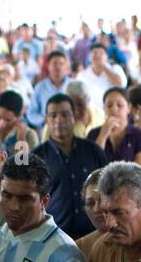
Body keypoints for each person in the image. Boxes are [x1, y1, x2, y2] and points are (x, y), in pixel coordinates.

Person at [35, 94, 109, 240]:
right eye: (53, 115)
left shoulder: (92, 150)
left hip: (95, 236)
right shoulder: (36, 158)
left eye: (65, 114)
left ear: (74, 117)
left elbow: (109, 190)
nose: (59, 120)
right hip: (53, 238)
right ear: (46, 120)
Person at [87, 86, 141, 171]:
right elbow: (90, 164)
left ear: (128, 108)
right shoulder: (94, 133)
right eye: (109, 106)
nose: (114, 109)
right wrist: (103, 134)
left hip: (131, 183)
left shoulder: (139, 135)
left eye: (119, 105)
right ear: (104, 109)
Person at [26, 51, 73, 130]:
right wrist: (44, 120)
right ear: (48, 66)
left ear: (66, 66)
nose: (58, 67)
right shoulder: (40, 87)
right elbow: (31, 113)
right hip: (46, 131)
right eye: (54, 63)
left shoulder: (73, 85)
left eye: (61, 64)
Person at [0, 90, 38, 158]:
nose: (1, 124)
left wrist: (21, 140)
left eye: (8, 120)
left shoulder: (29, 135)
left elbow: (27, 166)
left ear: (18, 118)